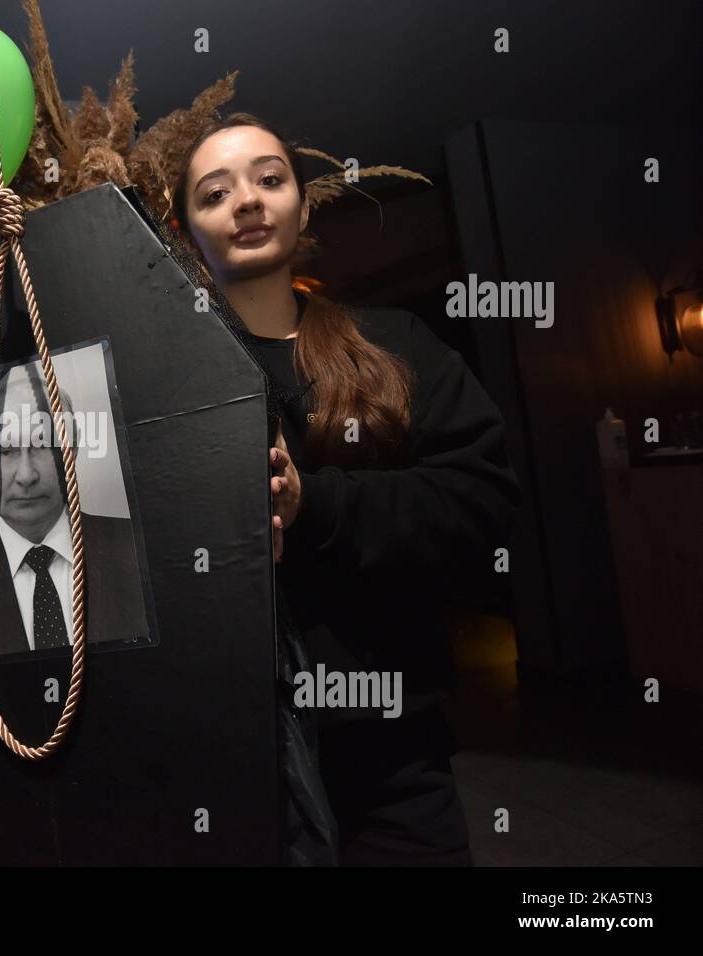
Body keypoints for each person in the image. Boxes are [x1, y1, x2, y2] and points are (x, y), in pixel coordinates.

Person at [168, 112, 522, 865]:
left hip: (392, 756)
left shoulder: (392, 346)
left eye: (269, 179)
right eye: (215, 192)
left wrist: (314, 505)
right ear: (184, 229)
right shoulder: (167, 384)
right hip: (231, 760)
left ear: (303, 203)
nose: (249, 202)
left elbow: (482, 500)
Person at [0, 361, 150, 661]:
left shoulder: (133, 548)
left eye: (43, 445)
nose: (26, 476)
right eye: (5, 451)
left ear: (74, 448)